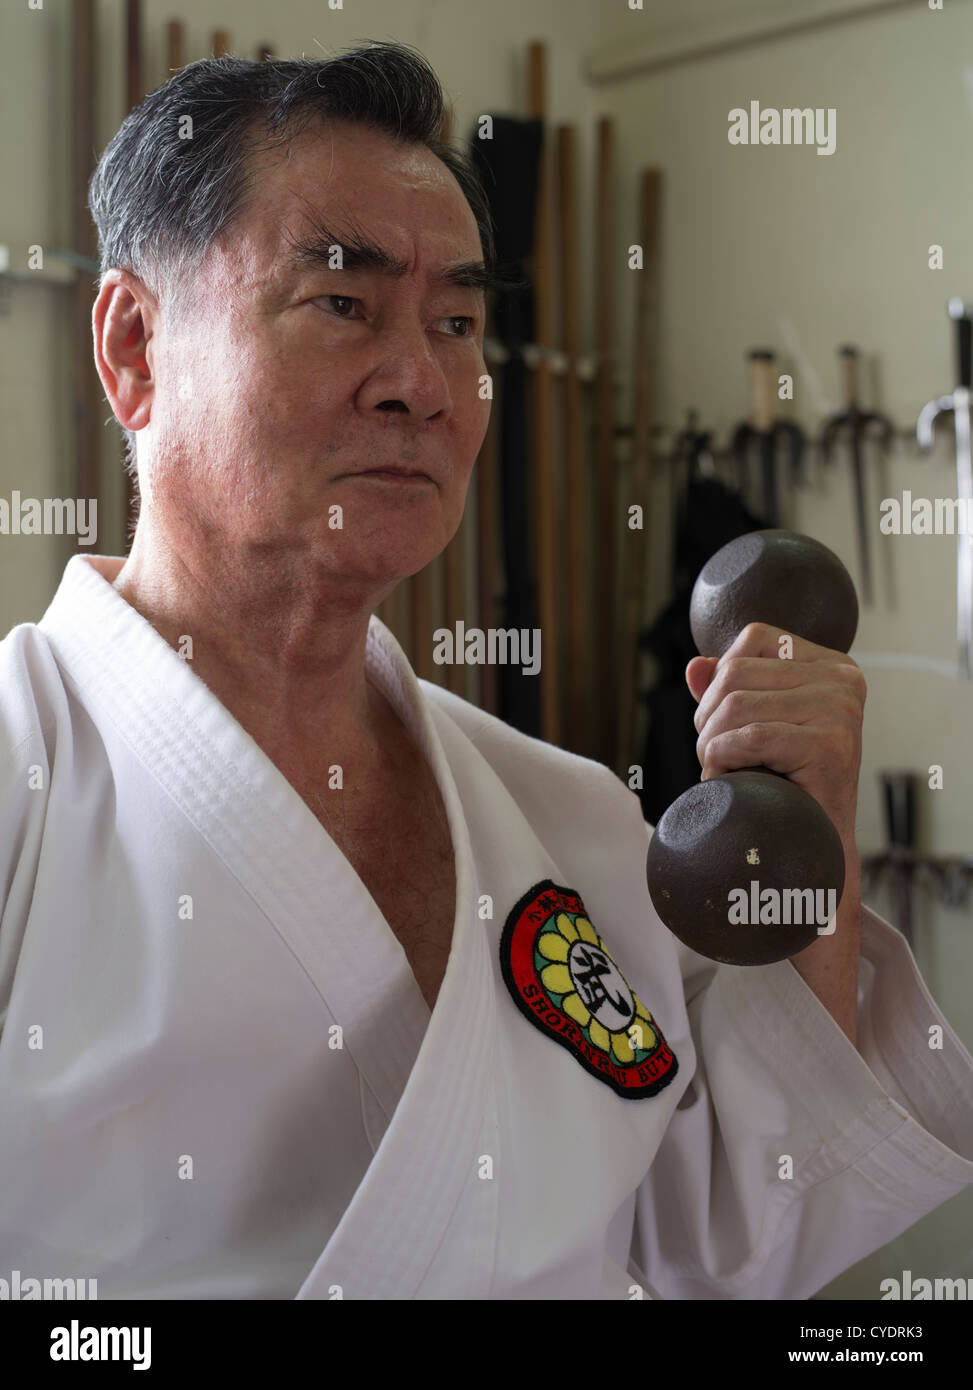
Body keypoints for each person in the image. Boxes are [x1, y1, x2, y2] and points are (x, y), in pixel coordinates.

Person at [0, 42, 970, 1301]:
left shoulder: (567, 814)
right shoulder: (28, 775)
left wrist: (813, 856)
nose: (424, 382)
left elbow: (728, 1242)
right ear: (135, 348)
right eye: (342, 302)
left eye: (458, 321)